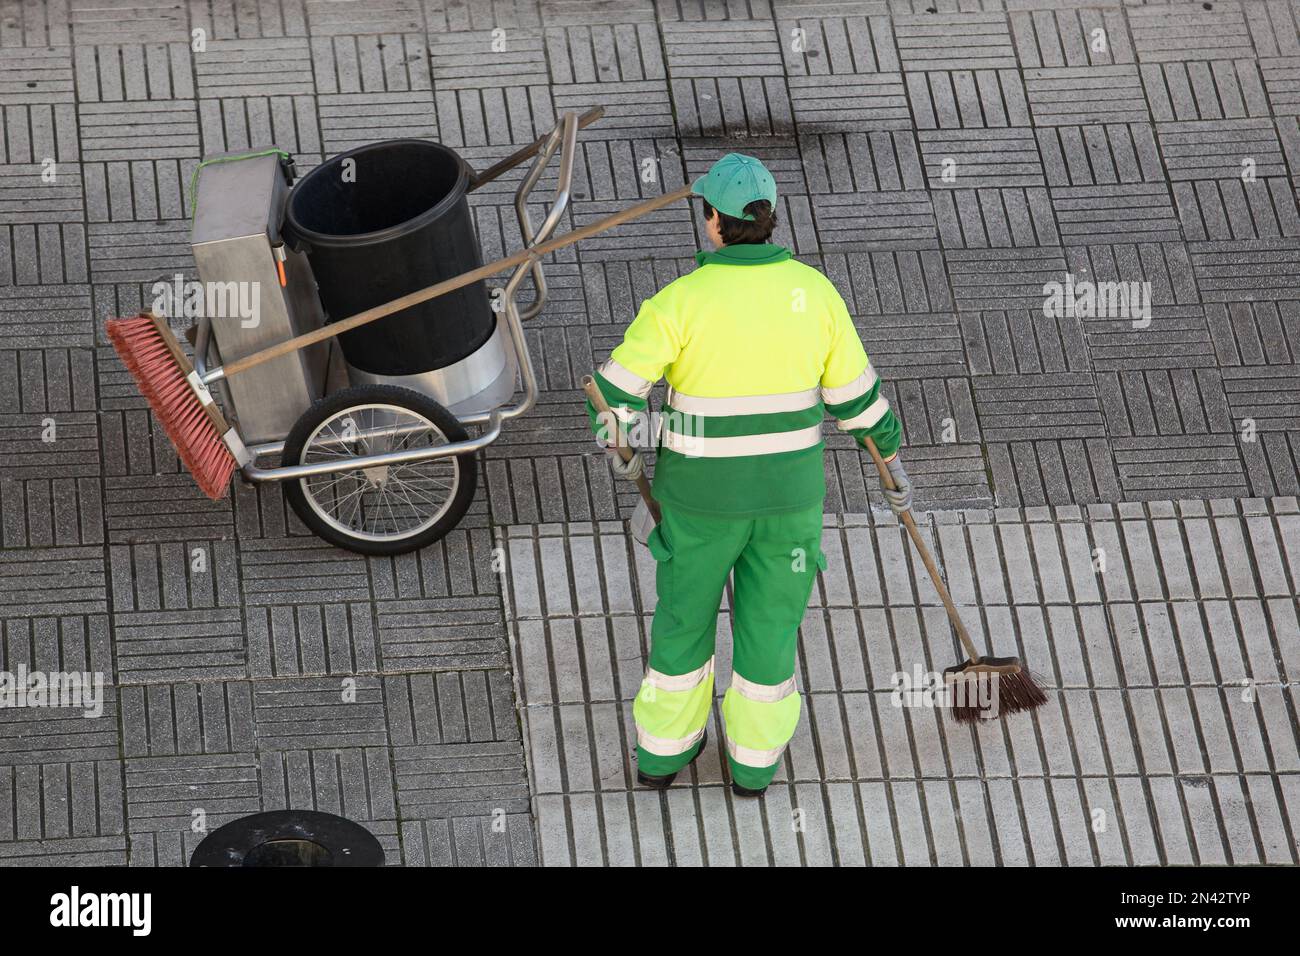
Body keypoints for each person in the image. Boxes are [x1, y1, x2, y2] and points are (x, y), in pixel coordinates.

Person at [586, 153, 912, 797]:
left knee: (684, 621)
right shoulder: (815, 294)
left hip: (699, 502)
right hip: (788, 502)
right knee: (769, 628)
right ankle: (754, 766)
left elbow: (612, 397)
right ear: (770, 221)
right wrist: (893, 466)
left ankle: (660, 759)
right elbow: (859, 403)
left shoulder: (679, 301)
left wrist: (621, 451)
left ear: (713, 222)